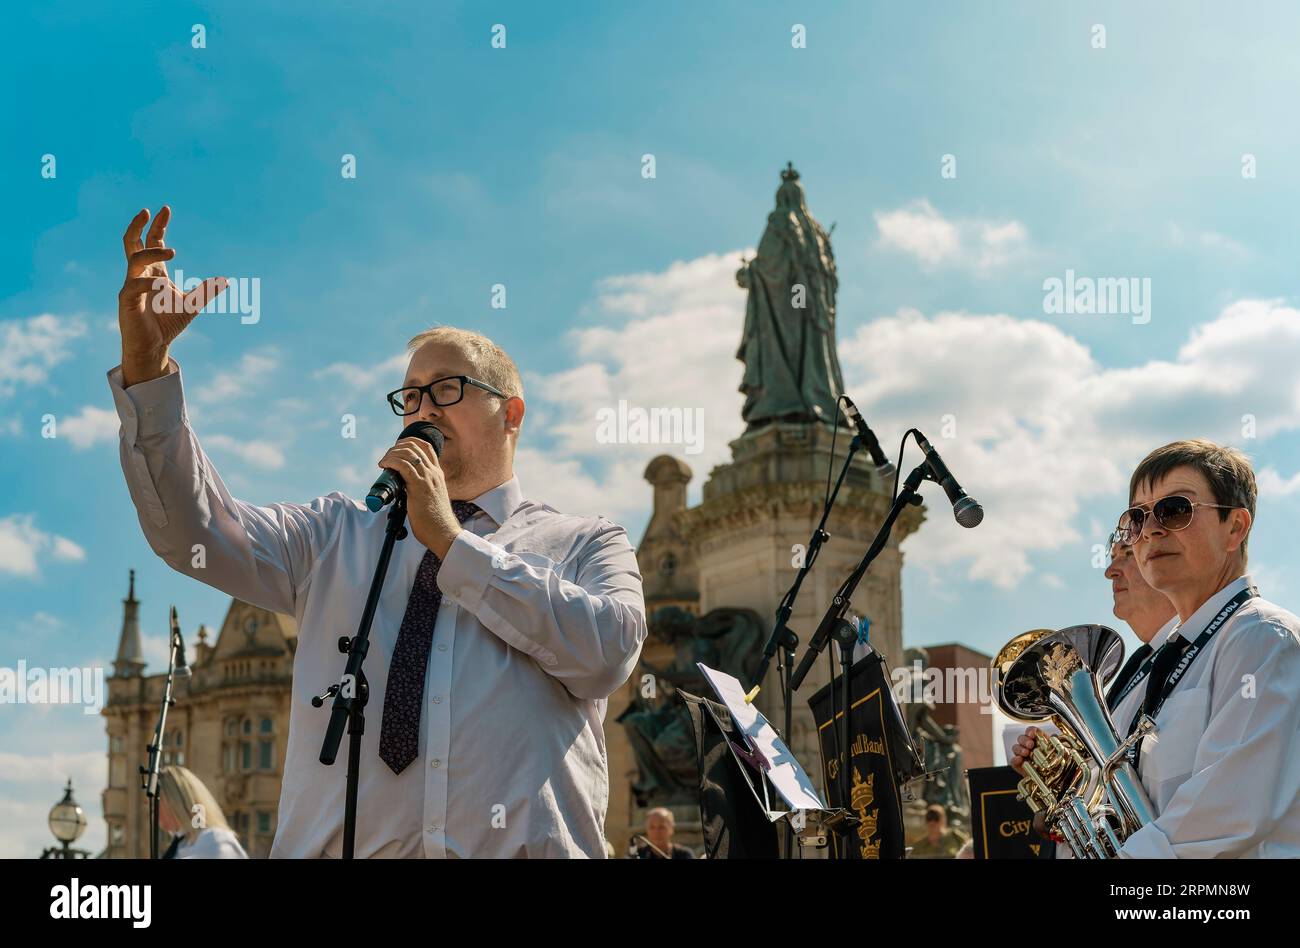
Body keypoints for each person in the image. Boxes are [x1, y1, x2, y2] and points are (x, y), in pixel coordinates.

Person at [109, 207, 648, 858]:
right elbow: (193, 532)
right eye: (410, 396)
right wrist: (146, 372)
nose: (421, 408)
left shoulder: (585, 543)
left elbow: (610, 651)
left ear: (512, 412)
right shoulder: (335, 535)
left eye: (445, 388)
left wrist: (451, 541)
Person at [1019, 439, 1300, 857]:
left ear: (1235, 528)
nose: (1149, 530)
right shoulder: (1172, 656)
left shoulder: (1262, 636)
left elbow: (1230, 805)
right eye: (1137, 517)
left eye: (1175, 510)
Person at [158, 766, 247, 859]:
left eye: (158, 803)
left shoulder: (215, 840)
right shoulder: (181, 844)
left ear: (174, 801)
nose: (153, 812)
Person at [630, 807, 694, 859]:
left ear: (671, 828)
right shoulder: (637, 854)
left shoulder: (684, 854)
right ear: (646, 829)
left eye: (662, 827)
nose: (656, 832)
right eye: (652, 827)